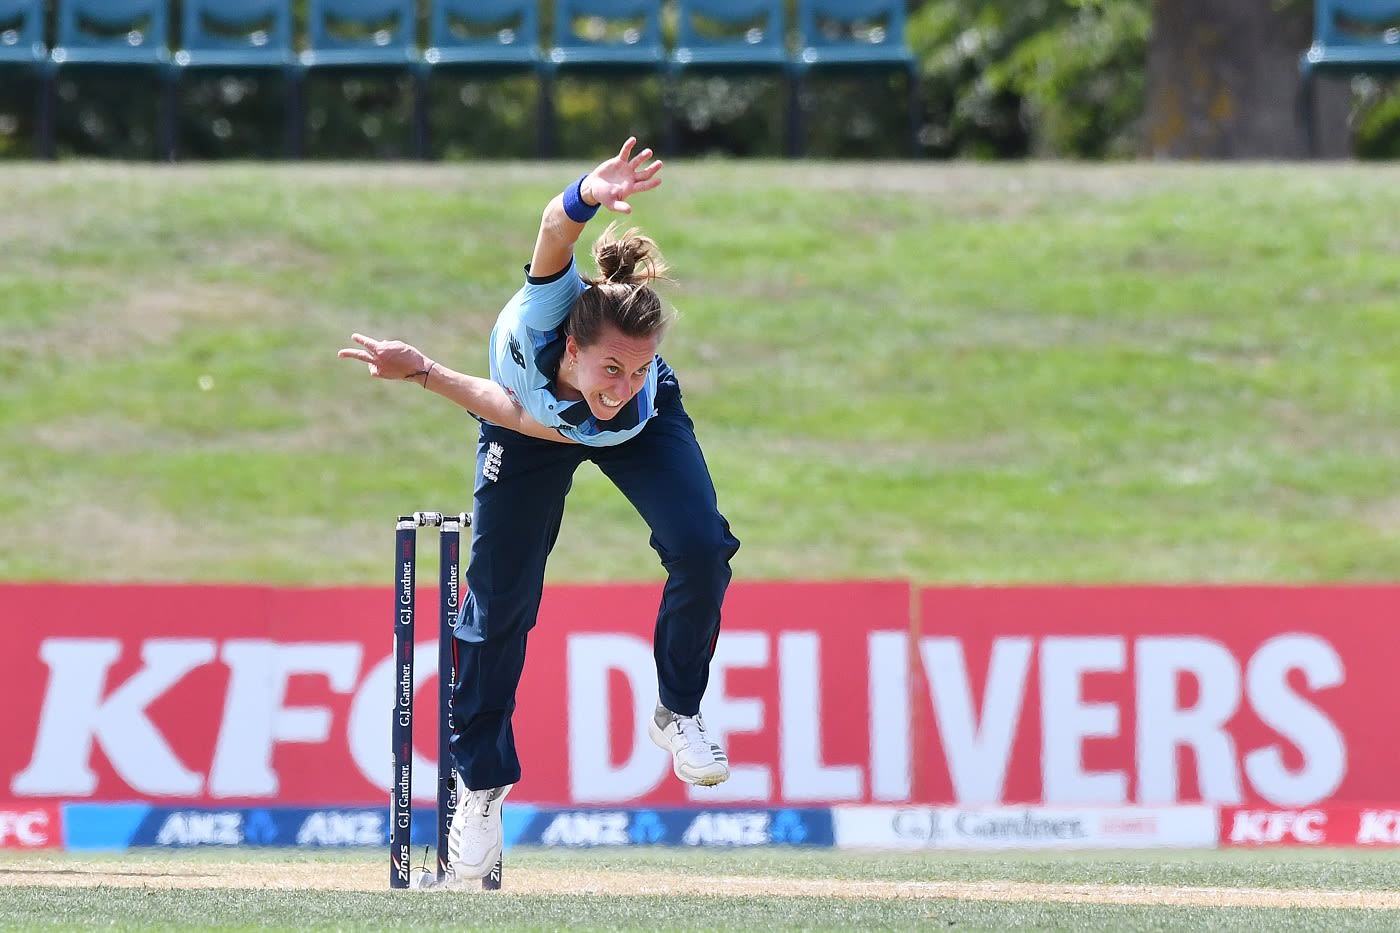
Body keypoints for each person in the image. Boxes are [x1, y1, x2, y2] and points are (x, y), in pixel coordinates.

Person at [338, 138, 740, 885]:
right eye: (612, 366)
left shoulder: (634, 403)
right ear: (574, 347)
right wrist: (592, 188)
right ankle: (481, 790)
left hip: (587, 430)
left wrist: (620, 391)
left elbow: (583, 412)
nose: (623, 381)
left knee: (700, 546)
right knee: (498, 606)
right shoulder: (542, 313)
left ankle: (676, 710)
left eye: (641, 366)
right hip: (523, 423)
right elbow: (555, 234)